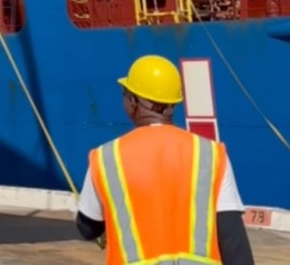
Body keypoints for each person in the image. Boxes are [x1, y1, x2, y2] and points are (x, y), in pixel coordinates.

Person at [75, 55, 255, 264]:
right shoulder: (211, 155)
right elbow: (232, 238)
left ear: (134, 101)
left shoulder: (106, 157)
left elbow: (87, 228)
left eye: (125, 94)